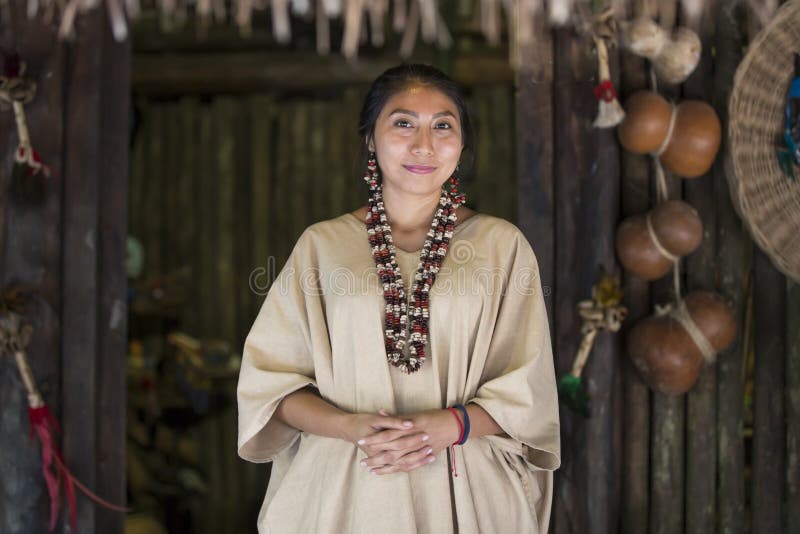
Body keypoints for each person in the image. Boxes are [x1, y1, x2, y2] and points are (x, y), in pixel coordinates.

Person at [237, 63, 561, 533]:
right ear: (370, 138)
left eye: (443, 126)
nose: (423, 145)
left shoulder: (500, 245)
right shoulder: (323, 246)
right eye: (403, 122)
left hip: (462, 487)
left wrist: (451, 425)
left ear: (462, 142)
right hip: (346, 489)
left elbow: (529, 388)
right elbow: (271, 384)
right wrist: (350, 428)